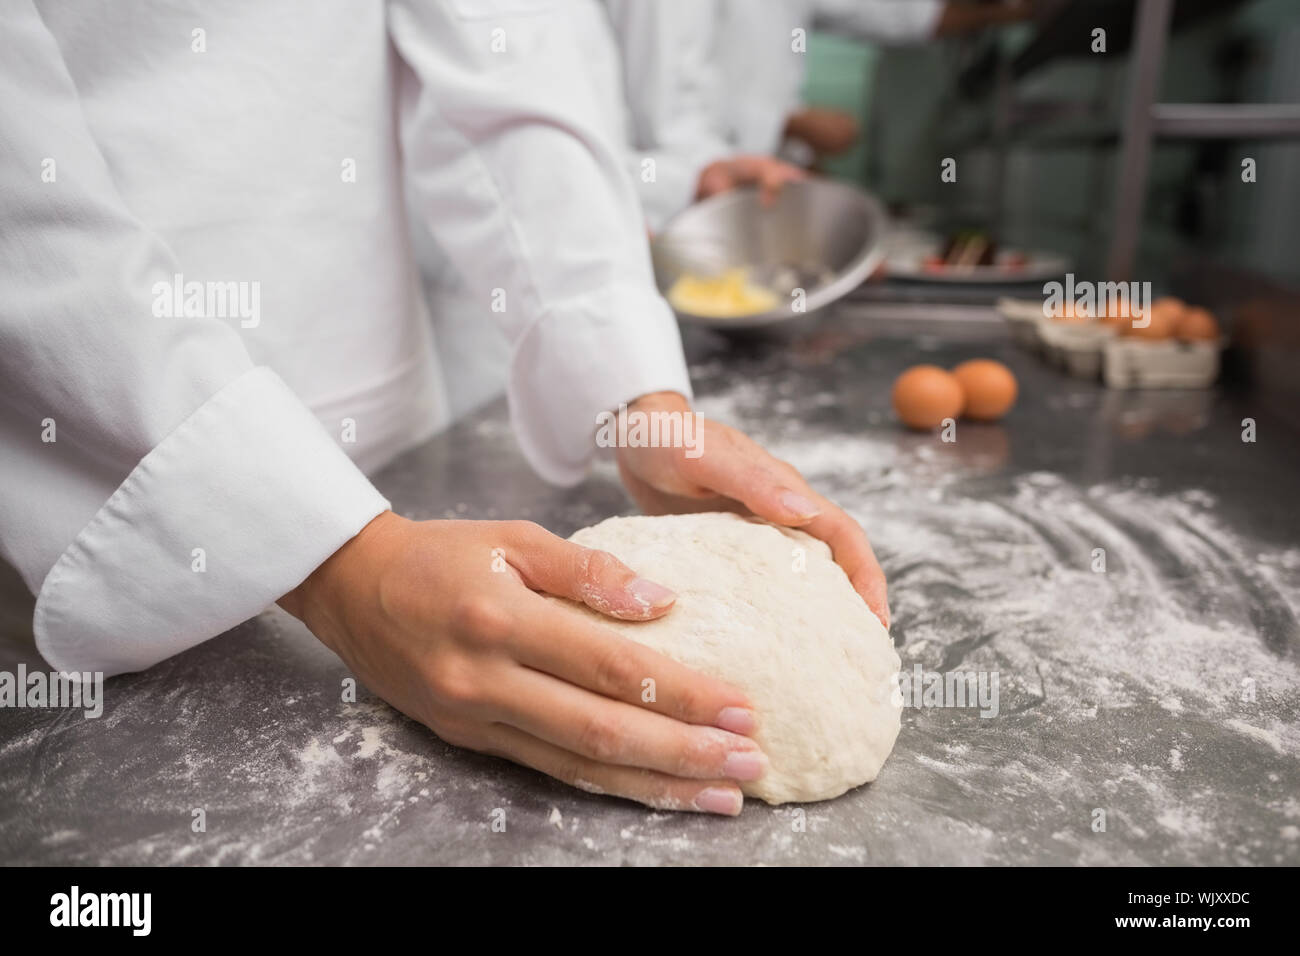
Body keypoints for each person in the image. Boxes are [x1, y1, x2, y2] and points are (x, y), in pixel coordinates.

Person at [0, 1, 887, 815]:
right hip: (93, 474)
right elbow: (26, 207)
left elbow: (502, 47)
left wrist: (633, 387)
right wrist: (337, 568)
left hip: (390, 459)